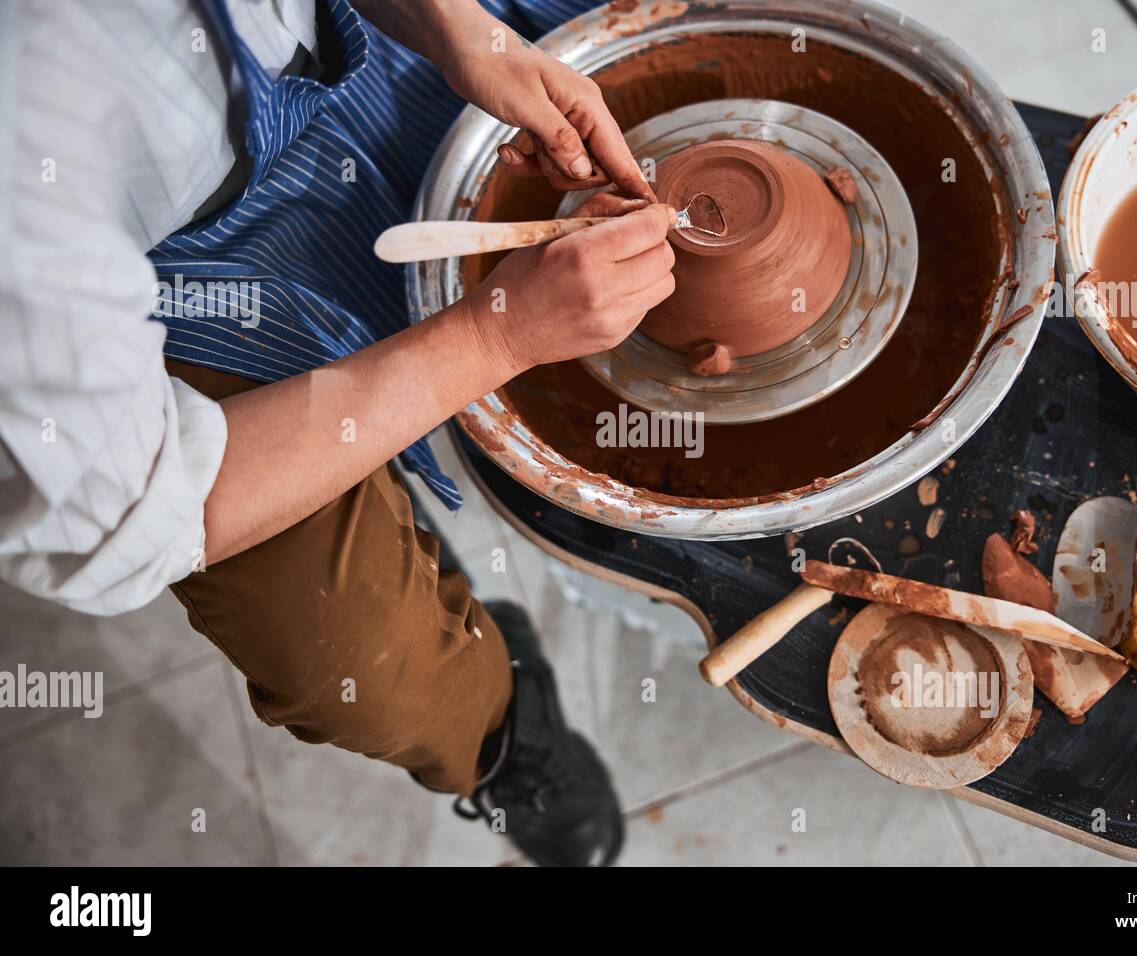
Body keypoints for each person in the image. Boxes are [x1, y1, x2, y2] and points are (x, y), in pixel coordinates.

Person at [0, 0, 676, 866]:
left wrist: (459, 30)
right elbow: (133, 518)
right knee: (355, 663)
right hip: (171, 273)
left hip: (356, 51)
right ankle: (502, 736)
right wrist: (495, 334)